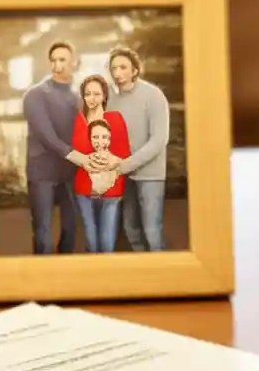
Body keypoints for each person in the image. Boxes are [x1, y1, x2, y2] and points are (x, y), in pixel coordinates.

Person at [93, 45, 169, 251]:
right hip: (122, 175)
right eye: (113, 68)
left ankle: (164, 277)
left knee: (152, 230)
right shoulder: (111, 99)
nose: (117, 73)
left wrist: (125, 164)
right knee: (130, 228)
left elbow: (159, 139)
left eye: (123, 67)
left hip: (150, 175)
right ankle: (144, 277)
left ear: (135, 70)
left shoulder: (153, 95)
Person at [21, 40, 94, 254]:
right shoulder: (35, 95)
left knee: (71, 230)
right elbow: (46, 135)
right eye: (53, 60)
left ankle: (64, 278)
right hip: (42, 172)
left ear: (75, 63)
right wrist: (74, 155)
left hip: (71, 173)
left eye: (62, 60)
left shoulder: (79, 97)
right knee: (43, 231)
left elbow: (88, 132)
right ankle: (41, 280)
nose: (57, 64)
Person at [71, 75, 130, 253]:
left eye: (96, 94)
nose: (92, 98)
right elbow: (73, 152)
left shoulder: (115, 118)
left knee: (107, 243)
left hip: (111, 190)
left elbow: (125, 154)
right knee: (91, 242)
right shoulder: (78, 121)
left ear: (104, 96)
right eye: (87, 94)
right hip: (84, 189)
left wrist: (110, 163)